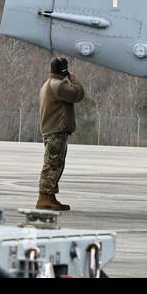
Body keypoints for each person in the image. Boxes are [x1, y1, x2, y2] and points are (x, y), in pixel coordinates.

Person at [37, 57, 85, 211]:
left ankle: (50, 197)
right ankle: (44, 197)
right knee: (52, 164)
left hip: (53, 129)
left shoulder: (48, 84)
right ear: (62, 70)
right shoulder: (58, 85)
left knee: (55, 164)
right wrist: (73, 79)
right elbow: (78, 94)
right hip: (56, 130)